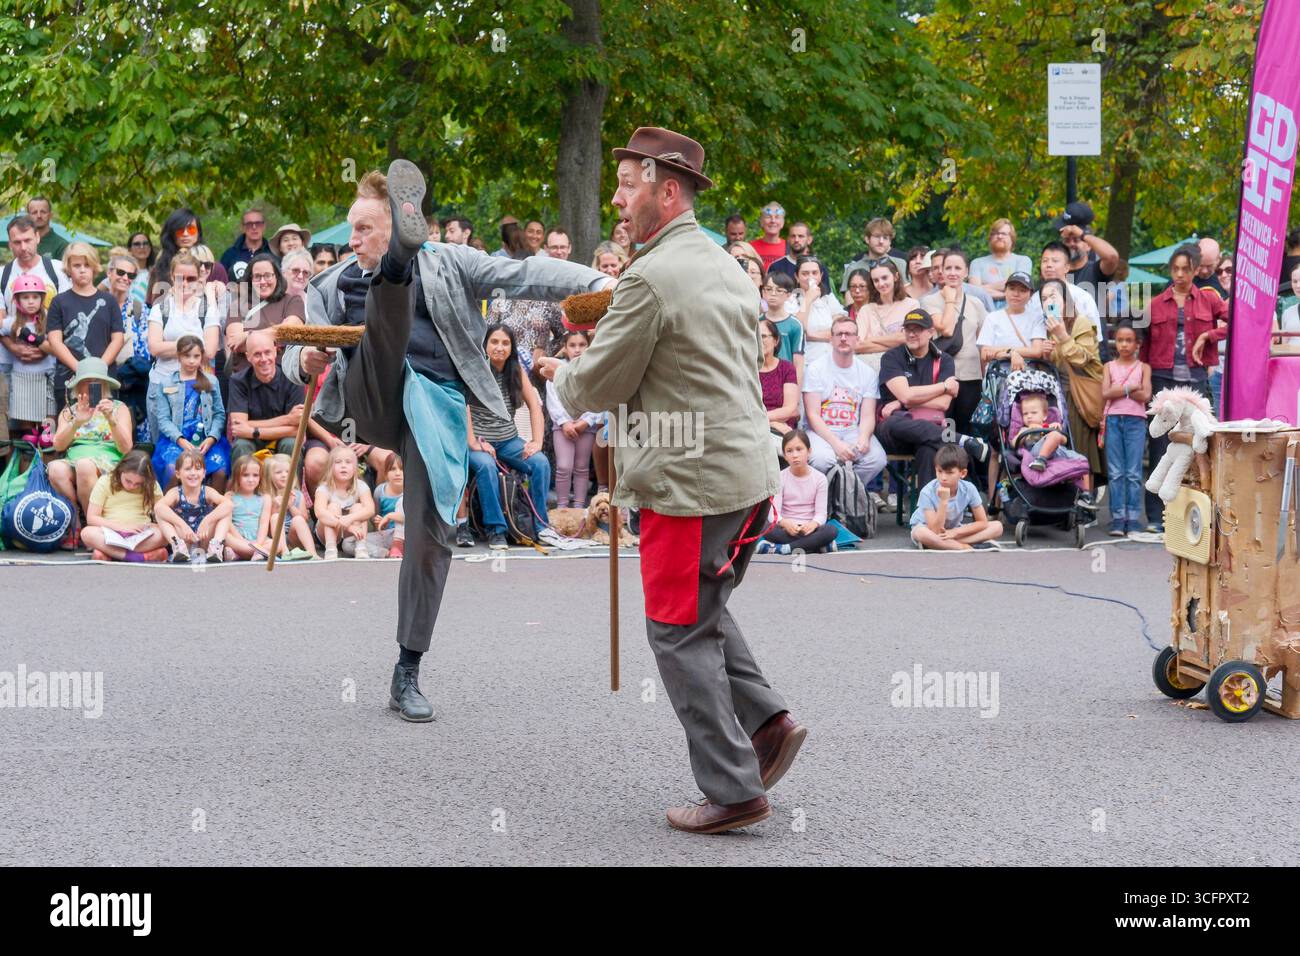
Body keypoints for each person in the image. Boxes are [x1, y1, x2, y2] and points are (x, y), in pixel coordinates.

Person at [540, 126, 803, 835]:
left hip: (691, 482)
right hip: (744, 472)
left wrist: (557, 374)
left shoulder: (651, 276)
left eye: (628, 185)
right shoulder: (720, 261)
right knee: (703, 607)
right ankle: (769, 726)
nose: (619, 201)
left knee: (678, 629)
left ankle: (732, 788)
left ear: (669, 188)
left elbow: (597, 383)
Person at [325, 160, 612, 723]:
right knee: (385, 314)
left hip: (435, 404)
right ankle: (396, 271)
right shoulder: (333, 280)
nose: (351, 238)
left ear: (402, 221)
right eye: (352, 228)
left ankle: (407, 666)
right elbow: (290, 347)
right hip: (373, 396)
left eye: (363, 228)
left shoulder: (452, 260)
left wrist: (594, 281)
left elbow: (524, 273)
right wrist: (300, 357)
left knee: (434, 528)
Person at [1139, 243, 1227, 532]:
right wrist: (1146, 381)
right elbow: (1144, 348)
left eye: (1185, 269)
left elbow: (1238, 320)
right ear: (1170, 271)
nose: (1180, 274)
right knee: (1161, 444)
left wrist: (1209, 335)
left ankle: (1195, 511)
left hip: (1196, 379)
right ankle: (1155, 516)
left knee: (1199, 444)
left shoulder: (1208, 300)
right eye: (1175, 269)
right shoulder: (1154, 304)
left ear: (1194, 270)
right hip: (1163, 380)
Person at [466, 323, 559, 548]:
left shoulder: (515, 370)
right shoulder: (475, 369)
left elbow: (535, 407)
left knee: (540, 463)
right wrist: (473, 443)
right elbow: (463, 407)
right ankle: (496, 530)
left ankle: (541, 526)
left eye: (505, 343)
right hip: (479, 441)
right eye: (494, 342)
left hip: (509, 440)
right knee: (487, 466)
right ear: (485, 345)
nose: (500, 347)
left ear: (511, 347)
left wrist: (536, 442)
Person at [876, 308, 970, 490]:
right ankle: (960, 441)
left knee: (929, 449)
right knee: (895, 421)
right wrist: (943, 387)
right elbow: (907, 395)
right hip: (895, 432)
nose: (911, 334)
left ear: (931, 332)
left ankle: (925, 511)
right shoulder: (891, 357)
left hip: (930, 433)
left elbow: (943, 403)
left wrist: (904, 401)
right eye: (908, 329)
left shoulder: (945, 360)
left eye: (917, 329)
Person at [1040, 278, 1103, 509]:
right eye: (1044, 298)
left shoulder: (1081, 323)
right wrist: (1046, 353)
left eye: (1053, 296)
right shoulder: (1048, 326)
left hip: (1080, 395)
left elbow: (1083, 359)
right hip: (1057, 395)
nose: (1049, 301)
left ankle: (1086, 504)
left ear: (1066, 299)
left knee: (1082, 450)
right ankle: (1065, 507)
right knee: (1061, 450)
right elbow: (1055, 363)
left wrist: (1063, 335)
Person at [802, 315, 887, 486]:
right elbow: (812, 415)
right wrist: (836, 444)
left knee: (876, 459)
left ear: (857, 339)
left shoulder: (867, 372)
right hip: (821, 431)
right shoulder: (815, 369)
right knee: (821, 460)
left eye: (848, 334)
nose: (843, 338)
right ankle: (829, 500)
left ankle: (844, 496)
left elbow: (868, 415)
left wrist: (863, 438)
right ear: (830, 339)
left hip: (852, 430)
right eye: (838, 334)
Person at [48, 358, 134, 526]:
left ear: (104, 385)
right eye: (86, 381)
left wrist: (111, 419)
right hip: (75, 460)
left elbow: (126, 448)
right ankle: (75, 515)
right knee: (55, 468)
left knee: (84, 466)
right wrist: (77, 422)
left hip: (108, 462)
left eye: (96, 382)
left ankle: (93, 525)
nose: (91, 386)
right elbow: (58, 445)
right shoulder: (70, 411)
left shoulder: (118, 408)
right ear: (78, 385)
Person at [145, 251, 220, 440]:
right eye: (180, 278)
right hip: (161, 385)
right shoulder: (160, 308)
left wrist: (170, 346)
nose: (185, 283)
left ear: (199, 279)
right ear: (171, 277)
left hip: (197, 388)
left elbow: (210, 351)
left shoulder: (206, 310)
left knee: (196, 445)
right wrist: (195, 345)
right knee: (161, 447)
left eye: (191, 278)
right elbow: (154, 348)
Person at [46, 243, 124, 409]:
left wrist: (99, 369)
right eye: (77, 265)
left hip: (104, 379)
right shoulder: (59, 302)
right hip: (69, 378)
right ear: (68, 268)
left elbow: (117, 338)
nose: (82, 270)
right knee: (70, 428)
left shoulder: (109, 301)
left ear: (95, 267)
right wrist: (81, 369)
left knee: (103, 429)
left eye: (87, 265)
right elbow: (55, 341)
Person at [148, 334, 230, 490]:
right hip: (176, 439)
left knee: (220, 469)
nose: (192, 360)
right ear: (178, 356)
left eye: (196, 356)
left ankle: (212, 509)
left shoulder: (212, 381)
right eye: (187, 356)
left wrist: (212, 438)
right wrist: (180, 440)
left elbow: (219, 414)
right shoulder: (166, 383)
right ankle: (169, 509)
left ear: (202, 357)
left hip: (206, 438)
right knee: (172, 470)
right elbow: (163, 419)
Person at [919, 249, 986, 434]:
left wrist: (984, 376)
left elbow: (983, 342)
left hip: (971, 375)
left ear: (966, 272)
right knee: (945, 429)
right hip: (941, 376)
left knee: (966, 429)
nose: (952, 272)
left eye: (958, 268)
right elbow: (946, 329)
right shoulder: (929, 301)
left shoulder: (976, 303)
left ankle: (966, 464)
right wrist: (950, 300)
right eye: (948, 268)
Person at [1101, 321, 1151, 537]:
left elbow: (1146, 396)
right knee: (1115, 472)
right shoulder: (1109, 367)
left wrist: (1118, 390)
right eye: (1120, 340)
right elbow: (1105, 393)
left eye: (1129, 340)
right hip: (1113, 419)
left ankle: (1132, 517)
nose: (1124, 345)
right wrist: (1130, 388)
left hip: (1136, 421)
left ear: (1137, 344)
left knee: (1132, 472)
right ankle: (1117, 517)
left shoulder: (1144, 368)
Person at [228, 330, 304, 461]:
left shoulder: (293, 379)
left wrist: (253, 431)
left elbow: (297, 430)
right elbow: (238, 427)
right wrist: (287, 419)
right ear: (248, 357)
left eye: (267, 352)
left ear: (275, 351)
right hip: (252, 441)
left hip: (282, 439)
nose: (264, 359)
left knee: (291, 444)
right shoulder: (238, 381)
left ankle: (293, 483)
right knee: (241, 446)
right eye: (257, 354)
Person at [546, 330, 602, 509]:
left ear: (588, 346)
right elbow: (552, 398)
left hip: (586, 426)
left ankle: (579, 509)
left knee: (581, 467)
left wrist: (586, 420)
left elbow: (598, 397)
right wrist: (564, 422)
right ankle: (562, 508)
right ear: (565, 348)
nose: (577, 350)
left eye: (582, 345)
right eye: (572, 345)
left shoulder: (594, 370)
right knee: (564, 466)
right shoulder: (557, 368)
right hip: (563, 427)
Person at [909, 443, 1002, 550]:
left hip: (953, 529)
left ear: (962, 473)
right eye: (939, 471)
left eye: (949, 473)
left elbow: (982, 522)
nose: (943, 477)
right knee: (921, 534)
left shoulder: (969, 488)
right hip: (928, 528)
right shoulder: (927, 491)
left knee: (997, 527)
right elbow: (935, 530)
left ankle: (942, 544)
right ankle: (965, 547)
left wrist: (955, 533)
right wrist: (943, 501)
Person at [225, 254, 305, 377]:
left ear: (277, 277)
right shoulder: (238, 304)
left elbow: (290, 331)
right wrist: (276, 334)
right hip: (245, 379)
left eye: (267, 276)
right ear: (250, 279)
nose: (263, 282)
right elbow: (236, 343)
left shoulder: (292, 301)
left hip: (284, 378)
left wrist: (248, 335)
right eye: (257, 276)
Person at [757, 429, 836, 554]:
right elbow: (774, 514)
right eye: (789, 451)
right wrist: (784, 523)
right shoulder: (779, 477)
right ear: (785, 455)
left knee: (831, 530)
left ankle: (785, 548)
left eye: (799, 449)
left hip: (809, 529)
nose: (795, 455)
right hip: (786, 529)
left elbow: (821, 514)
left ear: (809, 452)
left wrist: (813, 524)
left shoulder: (820, 478)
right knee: (765, 528)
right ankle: (815, 546)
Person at [81, 449, 167, 562]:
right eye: (128, 481)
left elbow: (162, 514)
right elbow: (92, 518)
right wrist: (121, 527)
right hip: (111, 532)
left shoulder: (152, 485)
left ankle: (110, 554)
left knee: (164, 533)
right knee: (87, 533)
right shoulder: (105, 481)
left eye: (138, 484)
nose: (132, 486)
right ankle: (137, 557)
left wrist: (151, 525)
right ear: (121, 470)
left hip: (139, 534)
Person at [1, 273, 56, 443]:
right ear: (17, 300)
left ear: (42, 299)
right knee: (29, 436)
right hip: (23, 377)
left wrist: (33, 340)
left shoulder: (50, 322)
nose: (31, 301)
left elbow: (56, 346)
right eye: (25, 297)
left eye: (35, 297)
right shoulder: (11, 323)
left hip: (47, 375)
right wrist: (12, 346)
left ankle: (46, 449)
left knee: (47, 435)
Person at [154, 448, 232, 563]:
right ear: (178, 474)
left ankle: (215, 547)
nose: (193, 473)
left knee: (225, 510)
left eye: (198, 469)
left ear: (204, 473)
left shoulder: (207, 491)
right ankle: (178, 546)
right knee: (160, 513)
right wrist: (182, 525)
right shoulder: (175, 492)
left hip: (204, 539)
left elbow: (229, 504)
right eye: (187, 469)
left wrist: (207, 521)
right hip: (185, 538)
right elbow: (158, 507)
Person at [105, 251, 151, 441]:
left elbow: (144, 350)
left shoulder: (140, 309)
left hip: (131, 384)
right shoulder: (96, 303)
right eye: (121, 272)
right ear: (109, 272)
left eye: (131, 275)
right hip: (101, 380)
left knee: (132, 436)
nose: (125, 278)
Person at [1014, 393, 1092, 494]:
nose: (1029, 416)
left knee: (1082, 461)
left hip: (1057, 452)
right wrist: (1025, 434)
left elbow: (1065, 441)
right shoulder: (1024, 429)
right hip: (1036, 452)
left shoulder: (1050, 427)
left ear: (1045, 415)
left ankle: (1086, 494)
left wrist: (1057, 430)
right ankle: (1041, 460)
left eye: (1033, 413)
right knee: (1054, 435)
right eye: (1025, 414)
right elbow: (1014, 444)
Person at [152, 208, 227, 303]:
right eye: (180, 230)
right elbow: (152, 304)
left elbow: (226, 307)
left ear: (198, 232)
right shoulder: (160, 266)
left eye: (191, 229)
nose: (185, 234)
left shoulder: (214, 268)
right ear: (171, 233)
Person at [314, 444, 376, 559]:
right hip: (327, 534)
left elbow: (370, 509)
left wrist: (350, 519)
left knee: (358, 507)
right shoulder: (324, 488)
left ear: (355, 467)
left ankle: (361, 547)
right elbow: (320, 512)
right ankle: (331, 549)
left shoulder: (361, 486)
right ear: (330, 467)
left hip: (350, 535)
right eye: (338, 462)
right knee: (333, 507)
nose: (343, 466)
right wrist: (347, 526)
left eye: (348, 462)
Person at [975, 271, 1046, 372]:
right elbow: (984, 353)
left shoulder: (1036, 318)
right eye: (1012, 289)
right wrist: (1011, 353)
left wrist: (998, 350)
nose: (1016, 294)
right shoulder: (992, 317)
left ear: (1031, 295)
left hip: (1029, 378)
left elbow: (1037, 351)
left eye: (1022, 290)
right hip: (999, 377)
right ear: (1005, 291)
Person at [855, 260, 915, 372]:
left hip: (900, 368)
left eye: (884, 278)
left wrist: (871, 340)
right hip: (869, 369)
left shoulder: (911, 305)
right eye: (876, 280)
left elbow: (908, 338)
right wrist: (896, 342)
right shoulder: (866, 310)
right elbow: (858, 345)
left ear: (896, 276)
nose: (881, 284)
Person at [264, 452, 318, 559]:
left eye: (287, 472)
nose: (284, 475)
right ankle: (284, 552)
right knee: (275, 517)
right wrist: (276, 506)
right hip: (276, 539)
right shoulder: (267, 496)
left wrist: (290, 506)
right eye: (278, 472)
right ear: (269, 476)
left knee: (298, 519)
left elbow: (304, 519)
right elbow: (266, 522)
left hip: (294, 537)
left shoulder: (298, 495)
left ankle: (313, 553)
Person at [793, 256, 843, 367]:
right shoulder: (791, 301)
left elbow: (840, 330)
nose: (810, 277)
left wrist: (811, 335)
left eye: (814, 273)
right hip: (807, 362)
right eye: (805, 273)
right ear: (797, 277)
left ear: (821, 275)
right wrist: (808, 299)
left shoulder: (829, 299)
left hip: (833, 359)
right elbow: (798, 331)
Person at [969, 219, 1032, 308]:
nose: (999, 236)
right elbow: (974, 292)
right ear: (990, 238)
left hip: (1014, 313)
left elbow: (1020, 287)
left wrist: (983, 288)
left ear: (1012, 238)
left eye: (1004, 234)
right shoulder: (977, 263)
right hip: (984, 314)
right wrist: (1005, 294)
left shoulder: (1023, 261)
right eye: (996, 233)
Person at [840, 217, 907, 295]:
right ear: (867, 239)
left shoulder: (900, 264)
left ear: (890, 242)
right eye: (877, 236)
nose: (881, 241)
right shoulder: (854, 268)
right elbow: (850, 301)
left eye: (885, 238)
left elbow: (907, 293)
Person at [225, 454, 271, 561]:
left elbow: (264, 523)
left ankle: (245, 554)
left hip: (258, 538)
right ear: (237, 476)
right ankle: (255, 553)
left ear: (260, 477)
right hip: (237, 538)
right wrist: (242, 541)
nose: (251, 479)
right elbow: (228, 523)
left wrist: (258, 544)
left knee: (276, 542)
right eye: (245, 475)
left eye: (255, 475)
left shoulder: (265, 498)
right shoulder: (230, 496)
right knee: (226, 536)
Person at [758, 318, 799, 435]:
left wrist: (763, 418)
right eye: (756, 337)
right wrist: (772, 423)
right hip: (758, 426)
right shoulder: (749, 369)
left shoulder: (786, 368)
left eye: (764, 336)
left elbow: (790, 409)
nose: (759, 341)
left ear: (776, 340)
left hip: (784, 427)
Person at [762, 272, 804, 382]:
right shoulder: (757, 322)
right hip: (761, 378)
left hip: (786, 381)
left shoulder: (795, 325)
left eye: (779, 290)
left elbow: (798, 364)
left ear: (788, 295)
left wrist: (795, 393)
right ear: (763, 292)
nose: (773, 294)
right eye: (768, 289)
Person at [766, 222, 828, 294]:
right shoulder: (776, 266)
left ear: (809, 240)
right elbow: (768, 294)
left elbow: (826, 295)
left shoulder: (818, 267)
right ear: (788, 239)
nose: (796, 240)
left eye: (801, 236)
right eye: (793, 236)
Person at [220, 208, 271, 282]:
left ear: (264, 226)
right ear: (242, 227)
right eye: (249, 224)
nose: (254, 227)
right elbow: (222, 284)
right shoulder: (229, 255)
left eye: (258, 223)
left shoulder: (272, 253)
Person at [371, 453, 405, 559]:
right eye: (393, 469)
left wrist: (390, 516)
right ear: (385, 474)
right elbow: (376, 519)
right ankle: (385, 553)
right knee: (348, 544)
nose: (398, 473)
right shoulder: (379, 491)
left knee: (401, 501)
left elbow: (415, 519)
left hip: (406, 533)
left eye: (402, 469)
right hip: (388, 534)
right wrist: (379, 523)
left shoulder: (411, 492)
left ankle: (399, 547)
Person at [749, 201, 787, 269]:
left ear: (782, 223)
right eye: (768, 217)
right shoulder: (750, 248)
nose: (773, 221)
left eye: (777, 217)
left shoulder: (790, 248)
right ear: (761, 222)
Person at [126, 232, 156, 305]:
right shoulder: (121, 271)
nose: (142, 247)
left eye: (145, 243)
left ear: (150, 248)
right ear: (129, 249)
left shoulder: (155, 273)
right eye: (137, 244)